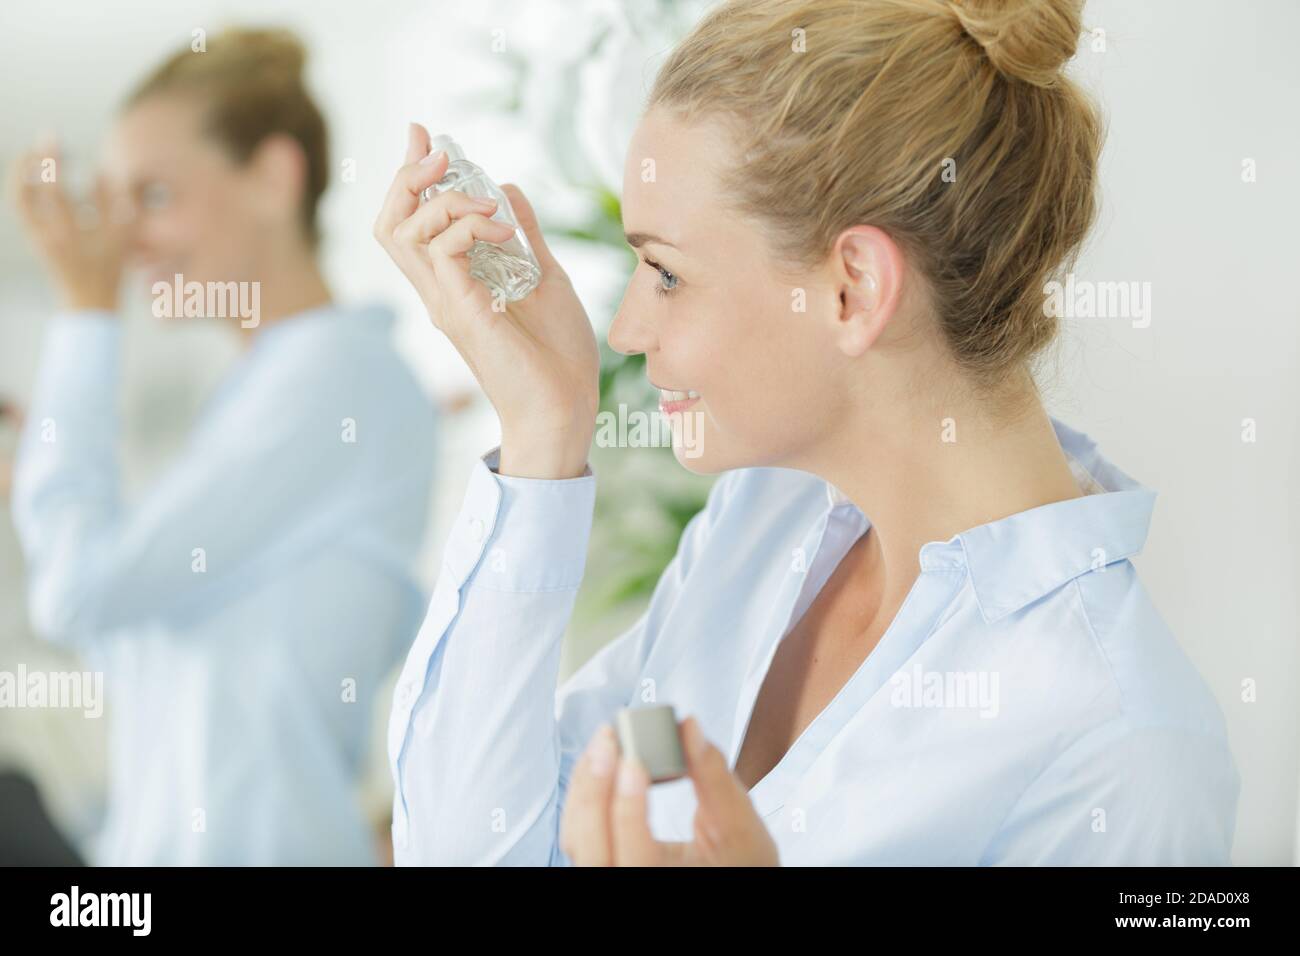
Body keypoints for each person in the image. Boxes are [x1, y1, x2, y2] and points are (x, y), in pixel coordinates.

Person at [375, 0, 1239, 865]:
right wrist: (544, 429)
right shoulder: (763, 520)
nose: (627, 331)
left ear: (853, 288)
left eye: (667, 273)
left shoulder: (1127, 753)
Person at [6, 28, 436, 865]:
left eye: (154, 194)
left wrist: (85, 312)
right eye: (115, 202)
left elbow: (76, 594)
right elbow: (135, 632)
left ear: (274, 177)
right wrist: (45, 481)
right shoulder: (261, 393)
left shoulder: (336, 376)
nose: (125, 240)